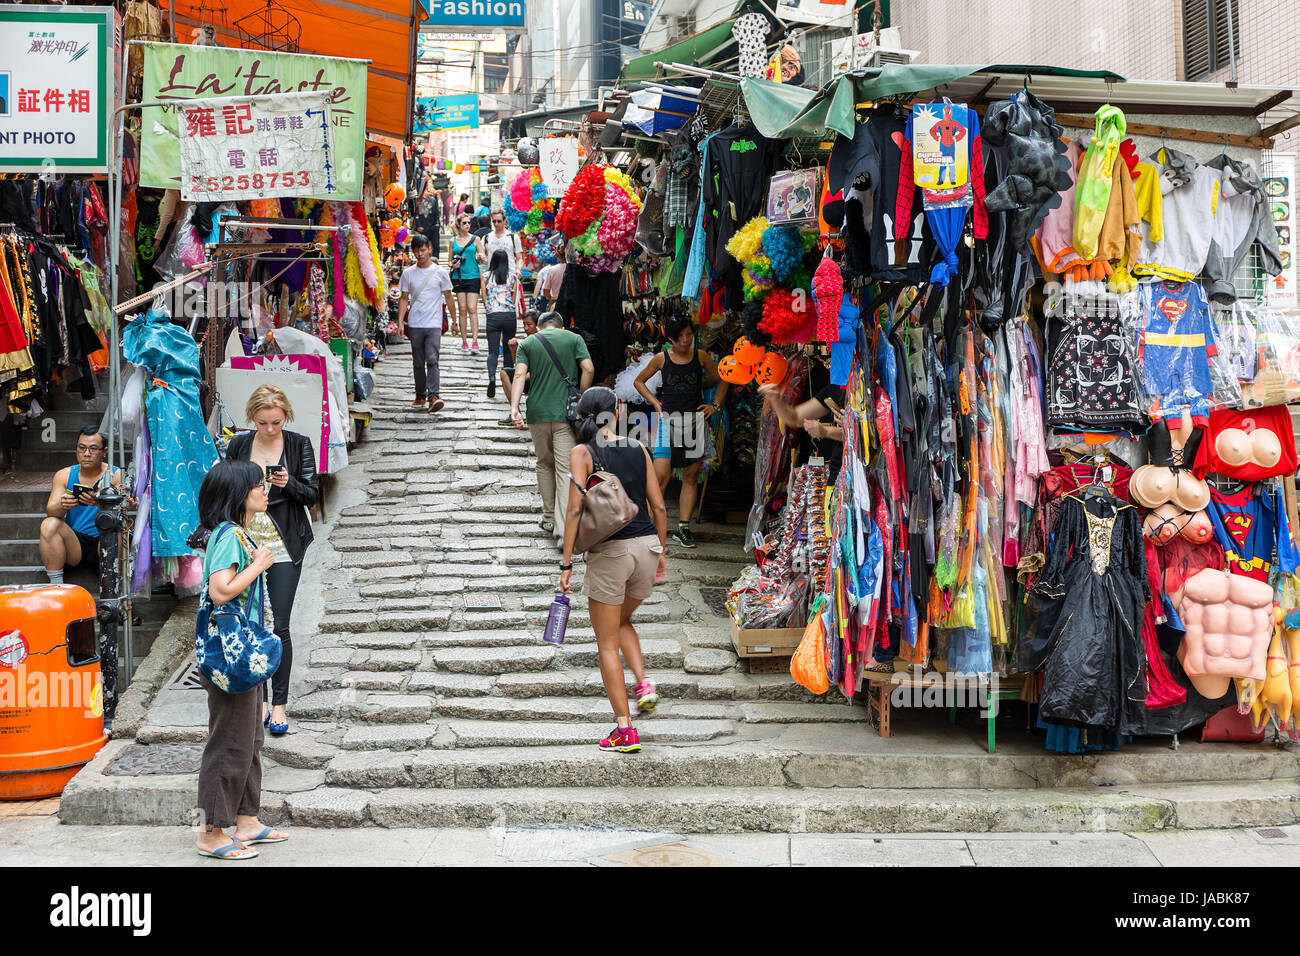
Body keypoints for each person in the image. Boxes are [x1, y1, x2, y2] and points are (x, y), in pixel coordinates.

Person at [560, 387, 668, 753]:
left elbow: (574, 510)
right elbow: (659, 506)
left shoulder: (582, 453)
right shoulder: (638, 448)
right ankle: (644, 684)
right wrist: (663, 552)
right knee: (621, 622)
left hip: (612, 554)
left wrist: (566, 562)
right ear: (617, 411)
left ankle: (624, 729)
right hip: (647, 548)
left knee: (606, 643)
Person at [189, 459, 287, 860]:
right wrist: (260, 565)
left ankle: (247, 819)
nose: (265, 492)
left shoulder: (237, 533)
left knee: (250, 737)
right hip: (230, 655)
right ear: (238, 494)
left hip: (245, 652)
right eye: (257, 487)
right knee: (229, 740)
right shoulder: (230, 536)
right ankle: (210, 831)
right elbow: (220, 591)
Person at [225, 385, 318, 736]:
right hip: (245, 544)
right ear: (253, 419)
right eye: (262, 423)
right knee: (252, 623)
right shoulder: (238, 445)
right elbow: (227, 487)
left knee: (278, 625)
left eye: (276, 423)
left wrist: (288, 482)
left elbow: (311, 493)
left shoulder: (297, 444)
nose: (269, 429)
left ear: (285, 417)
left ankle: (279, 703)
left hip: (283, 545)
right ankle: (259, 700)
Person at [633, 317, 727, 549]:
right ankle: (648, 527)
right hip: (668, 422)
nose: (685, 340)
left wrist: (714, 404)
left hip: (694, 421)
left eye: (688, 335)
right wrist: (655, 403)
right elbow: (639, 381)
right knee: (660, 477)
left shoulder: (701, 356)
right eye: (680, 337)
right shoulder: (661, 358)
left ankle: (683, 528)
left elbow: (722, 378)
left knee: (690, 476)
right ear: (671, 339)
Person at [510, 311, 594, 536]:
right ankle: (563, 530)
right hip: (565, 413)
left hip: (537, 412)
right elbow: (588, 368)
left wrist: (514, 408)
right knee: (565, 469)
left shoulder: (528, 343)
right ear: (562, 326)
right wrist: (582, 398)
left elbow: (519, 376)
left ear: (538, 327)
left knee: (544, 463)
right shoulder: (574, 339)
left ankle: (548, 517)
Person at [39, 426, 123, 584]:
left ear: (104, 452)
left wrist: (101, 504)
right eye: (81, 448)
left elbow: (123, 511)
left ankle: (112, 585)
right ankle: (56, 586)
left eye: (93, 449)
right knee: (49, 524)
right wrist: (63, 504)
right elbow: (51, 511)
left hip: (105, 536)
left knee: (116, 528)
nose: (86, 454)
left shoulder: (115, 475)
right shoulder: (64, 475)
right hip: (76, 543)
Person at [397, 233, 453, 413]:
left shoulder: (440, 273)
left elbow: (449, 297)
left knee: (432, 359)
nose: (420, 254)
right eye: (416, 251)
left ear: (429, 249)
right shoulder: (408, 274)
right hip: (415, 323)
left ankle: (434, 396)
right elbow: (404, 299)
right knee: (418, 362)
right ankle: (420, 394)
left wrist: (454, 320)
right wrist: (400, 322)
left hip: (434, 322)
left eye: (423, 250)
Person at [757, 375, 847, 482]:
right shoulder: (836, 389)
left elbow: (863, 435)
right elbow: (794, 418)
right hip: (839, 473)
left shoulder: (867, 388)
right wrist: (775, 399)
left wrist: (826, 431)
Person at [482, 248, 517, 399]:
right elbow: (514, 298)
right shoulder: (513, 277)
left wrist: (490, 309)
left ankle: (491, 378)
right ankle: (507, 381)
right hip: (509, 315)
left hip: (493, 315)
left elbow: (484, 297)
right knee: (508, 350)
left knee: (493, 351)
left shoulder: (485, 276)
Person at [447, 212, 481, 352]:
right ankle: (464, 341)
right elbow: (449, 260)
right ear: (459, 225)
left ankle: (475, 341)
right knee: (462, 309)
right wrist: (453, 265)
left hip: (473, 275)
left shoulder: (475, 239)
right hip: (459, 276)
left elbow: (481, 254)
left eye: (469, 223)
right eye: (464, 223)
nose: (467, 225)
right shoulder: (452, 241)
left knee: (472, 308)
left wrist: (481, 257)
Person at [496, 310, 538, 424]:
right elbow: (519, 365)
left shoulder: (541, 342)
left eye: (529, 324)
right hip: (527, 378)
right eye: (524, 325)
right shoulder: (527, 342)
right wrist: (514, 351)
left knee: (515, 378)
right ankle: (516, 412)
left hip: (541, 380)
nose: (525, 328)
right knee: (504, 373)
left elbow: (539, 370)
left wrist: (520, 379)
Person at [480, 207, 522, 279]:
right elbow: (480, 254)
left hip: (510, 277)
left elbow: (519, 258)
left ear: (504, 220)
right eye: (494, 221)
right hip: (492, 278)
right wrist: (481, 256)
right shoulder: (486, 238)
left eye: (499, 221)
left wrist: (518, 270)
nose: (496, 224)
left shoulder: (513, 237)